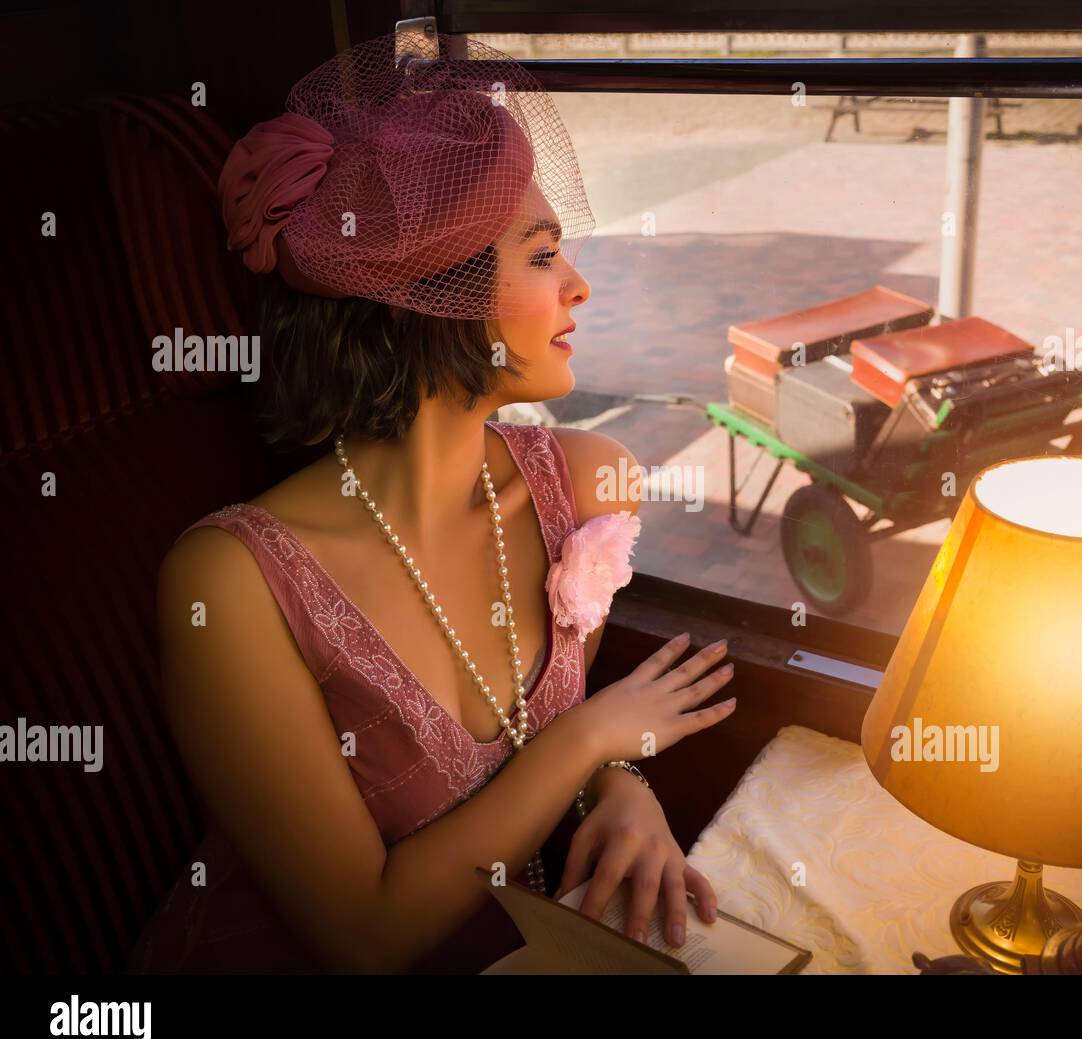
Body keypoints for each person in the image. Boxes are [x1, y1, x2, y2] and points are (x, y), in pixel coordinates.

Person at [126, 30, 737, 975]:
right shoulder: (230, 582)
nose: (578, 284)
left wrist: (619, 786)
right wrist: (595, 739)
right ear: (427, 299)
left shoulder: (587, 482)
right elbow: (361, 936)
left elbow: (545, 747)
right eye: (540, 258)